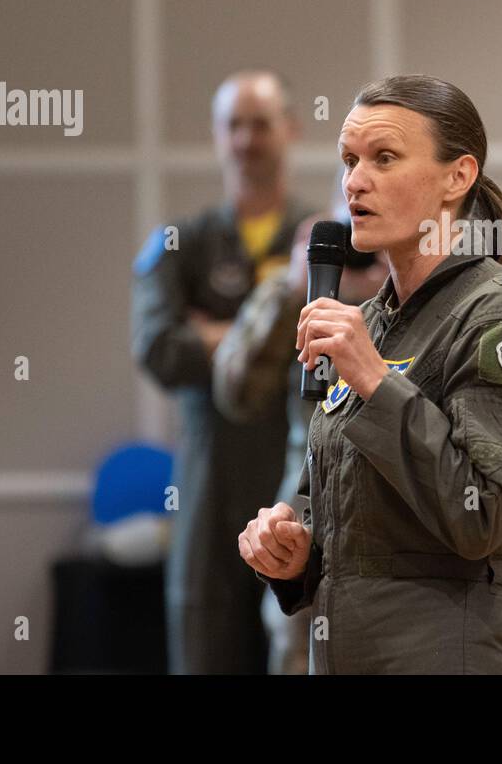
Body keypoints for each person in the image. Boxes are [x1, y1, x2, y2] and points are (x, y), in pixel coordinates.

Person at [237, 74, 502, 674]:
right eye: (349, 160)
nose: (354, 181)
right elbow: (354, 525)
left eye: (384, 158)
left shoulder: (500, 314)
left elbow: (479, 517)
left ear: (458, 176)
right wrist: (295, 550)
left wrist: (374, 379)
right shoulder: (367, 323)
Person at [131, 69, 316, 674]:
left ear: (289, 130)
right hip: (208, 491)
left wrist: (215, 331)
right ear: (216, 135)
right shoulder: (180, 242)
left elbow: (347, 343)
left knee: (297, 652)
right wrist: (265, 333)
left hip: (301, 481)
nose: (246, 139)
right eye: (233, 125)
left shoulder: (324, 241)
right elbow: (159, 348)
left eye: (260, 123)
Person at [213, 187, 389, 674]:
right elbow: (234, 392)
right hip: (306, 512)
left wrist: (379, 297)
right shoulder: (307, 281)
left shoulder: (409, 289)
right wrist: (294, 293)